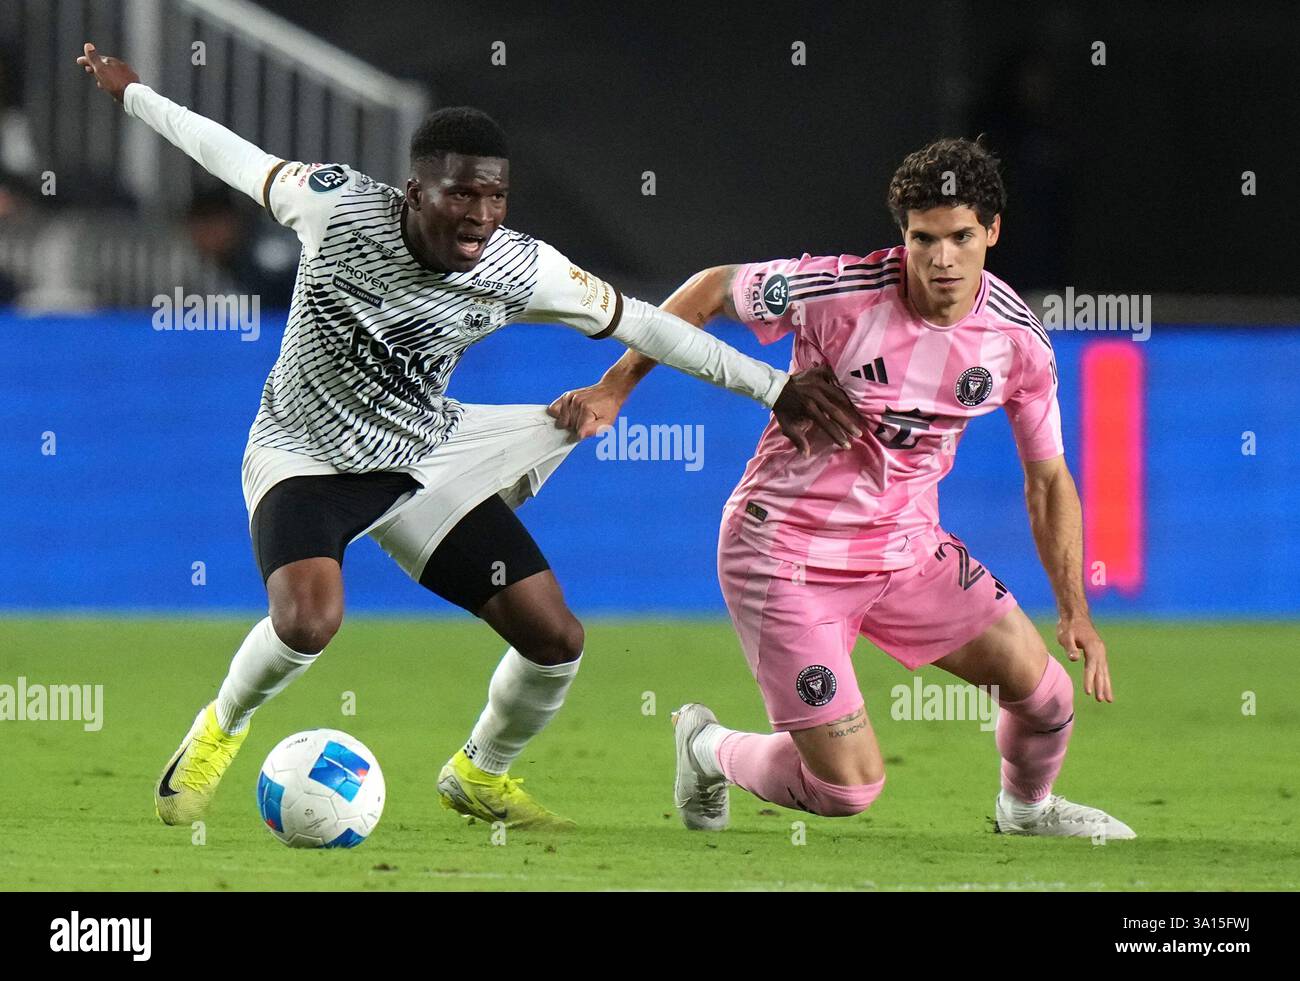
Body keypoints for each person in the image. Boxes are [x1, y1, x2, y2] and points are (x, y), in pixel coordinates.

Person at [75, 42, 861, 834]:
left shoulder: (522, 268)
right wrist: (136, 94)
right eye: (462, 194)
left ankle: (480, 773)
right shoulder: (336, 205)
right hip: (304, 453)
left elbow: (652, 323)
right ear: (415, 189)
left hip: (424, 456)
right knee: (309, 619)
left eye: (496, 195)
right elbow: (232, 155)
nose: (481, 214)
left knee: (555, 637)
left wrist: (773, 386)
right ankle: (221, 728)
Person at [550, 137, 1136, 839]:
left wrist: (1074, 609)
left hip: (908, 553)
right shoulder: (837, 292)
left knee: (1047, 696)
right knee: (844, 789)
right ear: (904, 235)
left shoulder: (1015, 342)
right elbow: (708, 289)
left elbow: (1047, 480)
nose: (941, 259)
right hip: (783, 552)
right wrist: (615, 388)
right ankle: (704, 746)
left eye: (960, 237)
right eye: (924, 239)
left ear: (993, 232)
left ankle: (1027, 812)